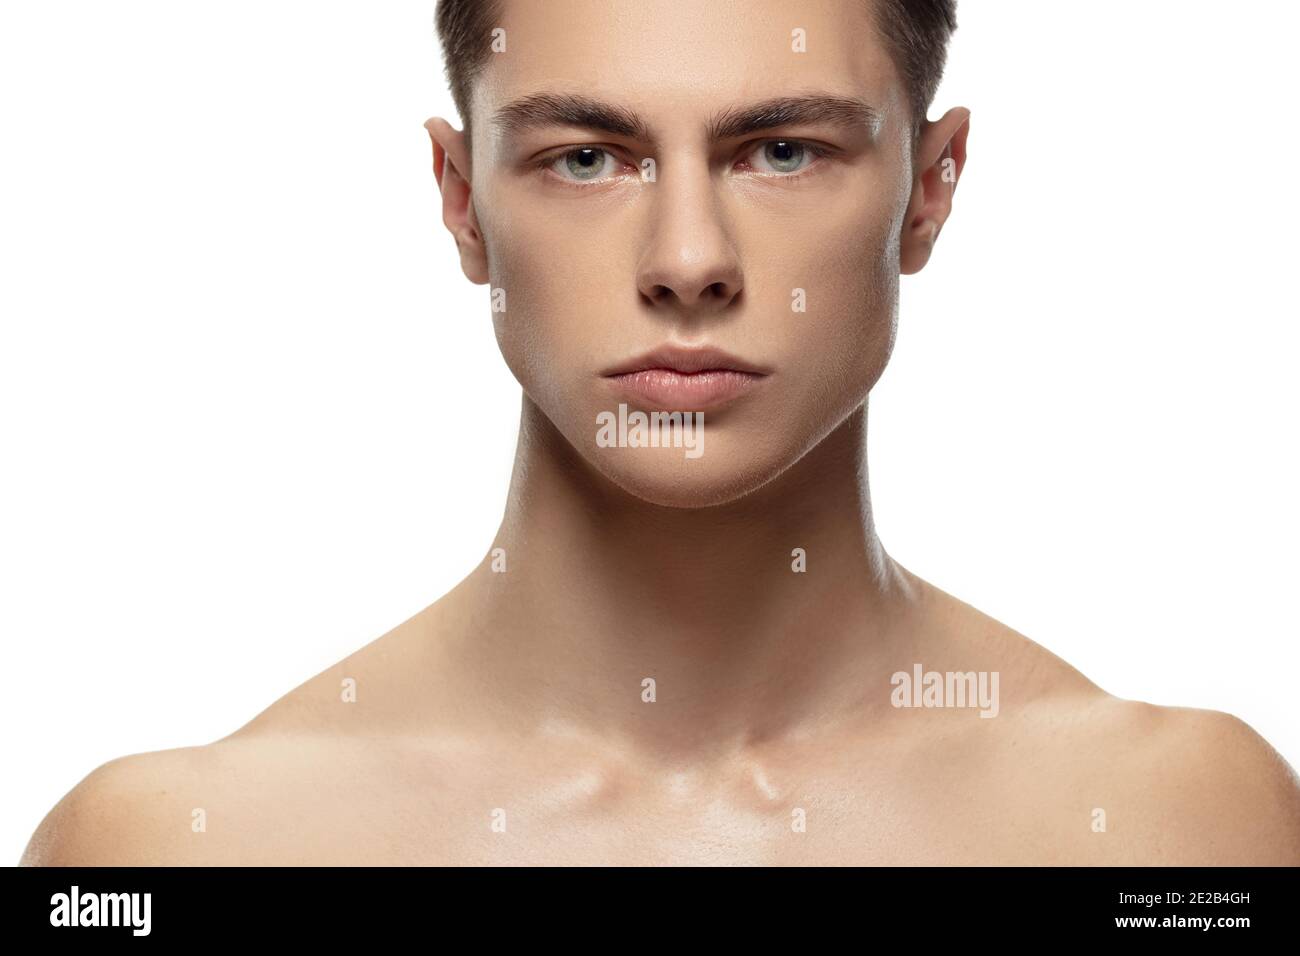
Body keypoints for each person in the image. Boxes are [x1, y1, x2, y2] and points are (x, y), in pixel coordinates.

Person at [21, 0, 1300, 866]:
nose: (688, 260)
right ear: (463, 204)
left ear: (931, 187)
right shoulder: (175, 848)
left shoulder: (1176, 827)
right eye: (588, 158)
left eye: (781, 151)